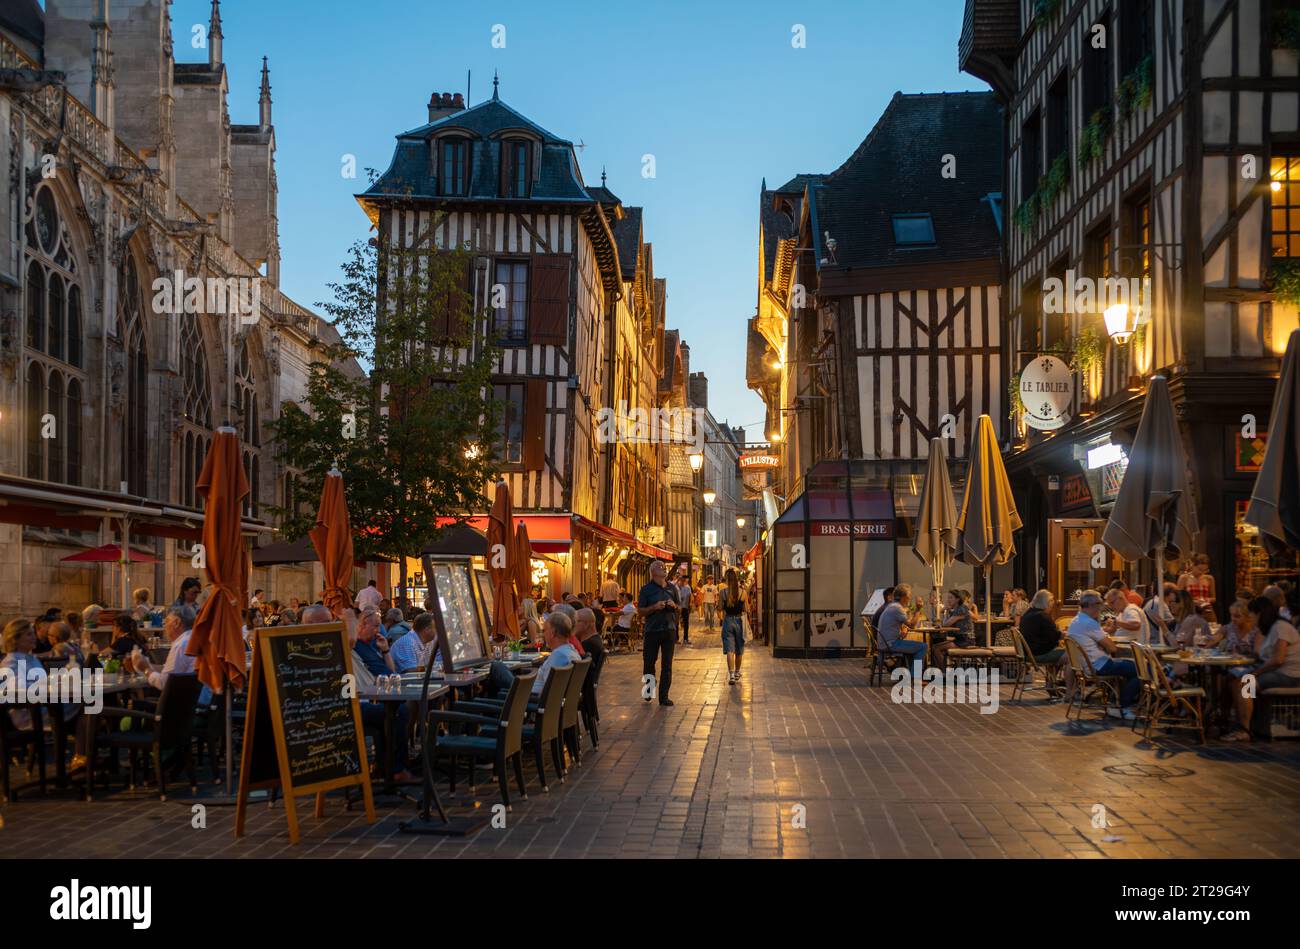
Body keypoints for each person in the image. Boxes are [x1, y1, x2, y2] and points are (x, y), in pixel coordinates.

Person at [1, 618, 90, 767]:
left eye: (33, 633)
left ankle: (83, 756)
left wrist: (56, 680)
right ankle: (81, 757)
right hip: (28, 711)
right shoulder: (11, 662)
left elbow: (42, 682)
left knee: (90, 707)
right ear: (15, 639)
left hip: (44, 705)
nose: (34, 637)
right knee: (86, 708)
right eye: (29, 635)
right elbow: (19, 690)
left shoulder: (31, 658)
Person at [1223, 597, 1300, 742]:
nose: (1251, 618)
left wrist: (1255, 672)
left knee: (1245, 683)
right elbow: (1264, 656)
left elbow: (1278, 660)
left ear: (1260, 613)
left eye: (1251, 614)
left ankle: (1245, 729)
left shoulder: (1280, 627)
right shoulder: (1270, 629)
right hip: (1278, 672)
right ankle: (1245, 723)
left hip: (1290, 674)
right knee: (1235, 680)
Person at [1068, 591, 1139, 716]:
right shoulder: (1089, 623)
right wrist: (1104, 643)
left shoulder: (1076, 620)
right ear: (1091, 605)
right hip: (1098, 665)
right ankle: (1122, 706)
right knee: (1140, 670)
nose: (1101, 608)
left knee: (1130, 667)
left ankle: (1115, 700)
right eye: (1099, 604)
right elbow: (1112, 648)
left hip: (1086, 666)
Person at [638, 560, 680, 706]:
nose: (663, 568)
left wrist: (674, 606)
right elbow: (640, 611)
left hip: (669, 630)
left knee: (667, 664)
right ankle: (649, 692)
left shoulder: (672, 588)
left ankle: (664, 696)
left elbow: (680, 607)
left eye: (664, 567)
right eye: (660, 567)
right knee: (649, 662)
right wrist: (654, 607)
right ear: (653, 572)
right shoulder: (646, 590)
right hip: (652, 631)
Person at [876, 584, 926, 671]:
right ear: (904, 597)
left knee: (914, 647)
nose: (910, 599)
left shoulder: (892, 606)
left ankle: (910, 675)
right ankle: (915, 677)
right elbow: (912, 625)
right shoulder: (897, 608)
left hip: (884, 643)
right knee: (923, 646)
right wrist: (918, 609)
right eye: (909, 596)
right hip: (890, 644)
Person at [1020, 590, 1064, 661]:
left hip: (1027, 653)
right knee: (1072, 656)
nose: (1052, 606)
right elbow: (1054, 636)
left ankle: (1052, 672)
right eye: (1051, 602)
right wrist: (1065, 634)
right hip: (1039, 654)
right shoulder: (1042, 616)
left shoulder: (1027, 613)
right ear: (1047, 603)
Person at [719, 568, 746, 683]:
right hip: (739, 621)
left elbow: (720, 608)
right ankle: (737, 672)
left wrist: (722, 614)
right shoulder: (743, 592)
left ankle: (730, 674)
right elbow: (746, 609)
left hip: (728, 621)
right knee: (739, 649)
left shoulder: (723, 592)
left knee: (730, 649)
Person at [352, 608, 395, 677]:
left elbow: (392, 672)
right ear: (363, 625)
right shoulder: (355, 645)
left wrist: (385, 650)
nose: (379, 630)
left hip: (387, 683)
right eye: (376, 626)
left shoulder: (375, 643)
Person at [1178, 553, 1217, 618]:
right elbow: (1178, 597)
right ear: (1193, 565)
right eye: (1200, 569)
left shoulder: (1209, 578)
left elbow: (1213, 598)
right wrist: (1193, 601)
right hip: (1190, 612)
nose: (1201, 572)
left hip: (1206, 612)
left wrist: (1205, 600)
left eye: (1205, 570)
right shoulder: (1184, 578)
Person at [674, 566, 694, 646]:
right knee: (676, 623)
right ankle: (676, 638)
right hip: (678, 607)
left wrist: (690, 604)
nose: (682, 582)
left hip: (685, 607)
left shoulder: (688, 587)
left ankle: (685, 638)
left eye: (683, 581)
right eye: (681, 581)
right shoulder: (676, 587)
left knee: (686, 623)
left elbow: (690, 596)